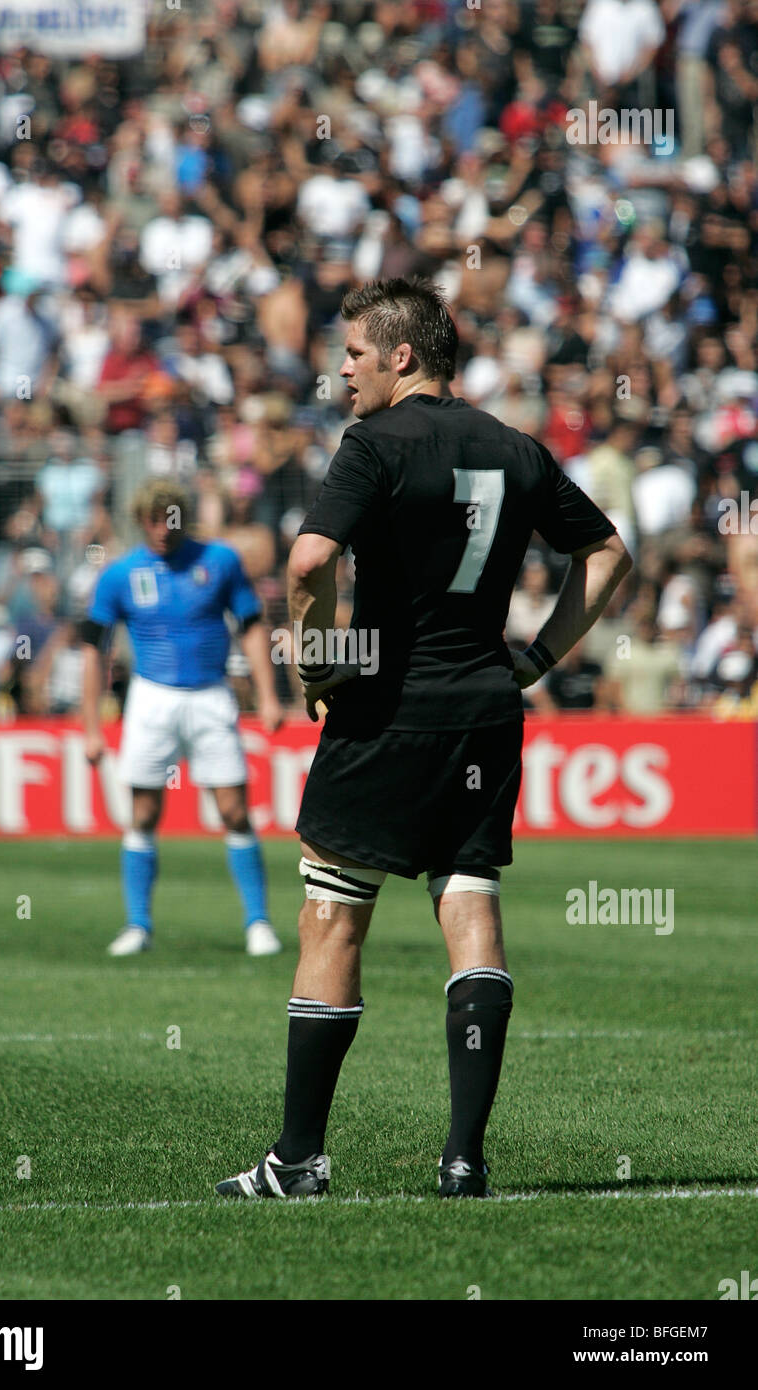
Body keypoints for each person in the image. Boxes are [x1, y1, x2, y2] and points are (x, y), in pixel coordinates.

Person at [217, 278, 632, 1200]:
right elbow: (608, 554)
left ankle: (298, 1160)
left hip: (386, 710)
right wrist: (539, 658)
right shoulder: (515, 447)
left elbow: (308, 560)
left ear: (402, 355)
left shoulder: (372, 444)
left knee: (332, 916)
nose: (343, 370)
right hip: (485, 708)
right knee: (472, 912)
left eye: (355, 354)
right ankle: (463, 1159)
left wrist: (316, 665)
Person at [81, 478, 284, 957]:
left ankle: (257, 923)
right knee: (144, 812)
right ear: (140, 521)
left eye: (169, 516)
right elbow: (95, 650)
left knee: (234, 810)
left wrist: (269, 696)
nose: (162, 528)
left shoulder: (219, 562)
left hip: (210, 695)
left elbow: (252, 628)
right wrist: (90, 725)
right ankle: (138, 925)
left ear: (182, 516)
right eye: (152, 519)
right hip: (150, 698)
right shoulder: (119, 575)